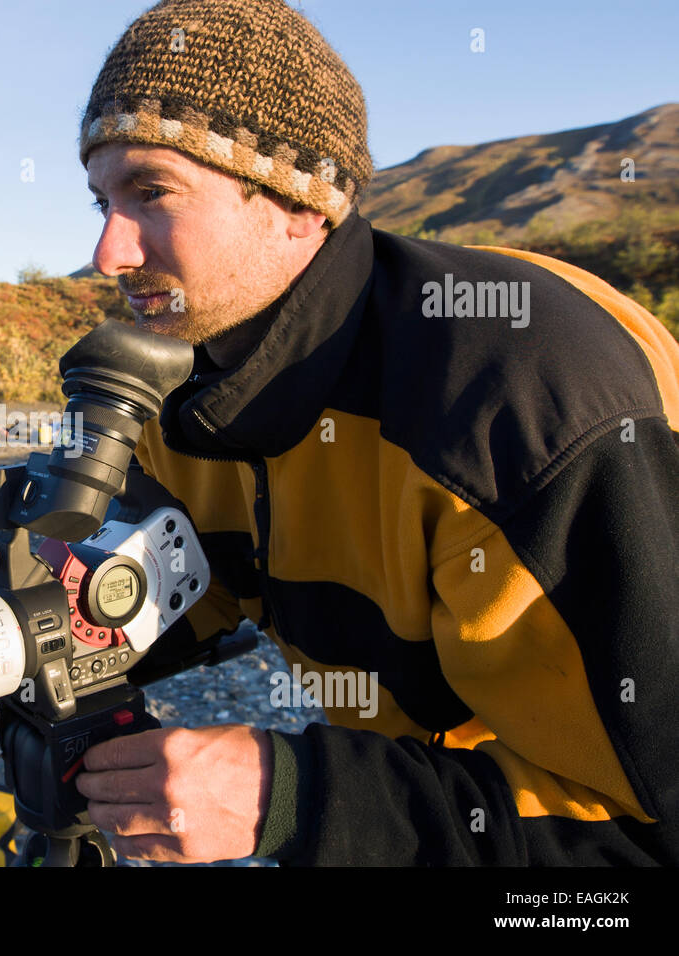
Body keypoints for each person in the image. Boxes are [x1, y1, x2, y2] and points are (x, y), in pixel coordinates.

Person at [71, 0, 679, 865]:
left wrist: (299, 801)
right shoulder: (188, 387)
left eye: (151, 192)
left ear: (300, 204)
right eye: (100, 200)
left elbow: (645, 845)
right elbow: (176, 595)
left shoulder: (520, 404)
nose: (108, 252)